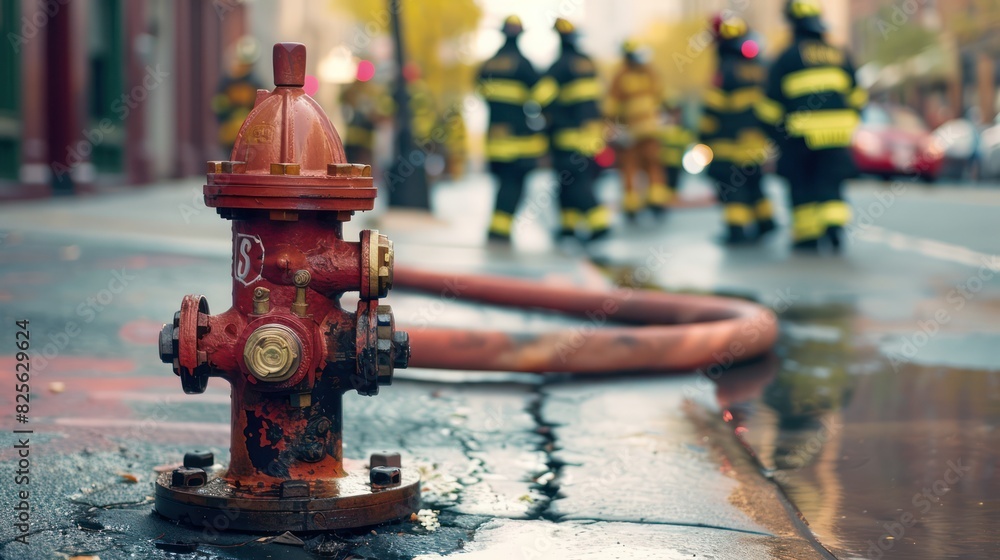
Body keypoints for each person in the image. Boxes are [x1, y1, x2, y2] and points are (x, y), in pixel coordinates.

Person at [756, 0, 867, 252]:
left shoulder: (786, 58)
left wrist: (777, 137)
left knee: (802, 183)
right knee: (831, 182)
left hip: (801, 137)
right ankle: (834, 226)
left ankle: (808, 237)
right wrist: (848, 122)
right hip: (837, 136)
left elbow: (768, 108)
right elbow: (858, 97)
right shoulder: (840, 54)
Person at [700, 13, 776, 244]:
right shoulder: (760, 67)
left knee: (731, 186)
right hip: (756, 142)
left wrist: (703, 136)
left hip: (729, 143)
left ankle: (737, 230)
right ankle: (766, 221)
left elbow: (713, 108)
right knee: (754, 183)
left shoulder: (725, 70)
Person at [535, 18, 611, 241]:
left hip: (568, 138)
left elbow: (541, 97)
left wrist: (547, 118)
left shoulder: (559, 66)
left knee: (575, 184)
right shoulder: (588, 63)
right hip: (592, 137)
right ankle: (569, 226)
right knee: (572, 183)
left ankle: (599, 224)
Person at [477, 16, 549, 242]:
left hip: (494, 140)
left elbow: (483, 94)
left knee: (503, 184)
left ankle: (498, 228)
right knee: (514, 185)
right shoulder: (522, 64)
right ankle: (500, 230)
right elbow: (543, 95)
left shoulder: (487, 65)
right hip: (517, 142)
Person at [605, 40, 670, 220]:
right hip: (648, 130)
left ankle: (633, 204)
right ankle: (654, 201)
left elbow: (611, 108)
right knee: (651, 165)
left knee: (630, 167)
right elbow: (664, 98)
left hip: (632, 132)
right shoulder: (648, 72)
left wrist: (614, 128)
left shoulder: (621, 76)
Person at [212, 37, 264, 157]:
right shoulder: (227, 82)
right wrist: (224, 119)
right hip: (230, 134)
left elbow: (261, 109)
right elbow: (218, 105)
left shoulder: (255, 83)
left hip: (248, 135)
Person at [659, 97, 695, 198]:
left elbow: (688, 145)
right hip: (664, 163)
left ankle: (671, 197)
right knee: (663, 183)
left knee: (674, 183)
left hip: (677, 164)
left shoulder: (683, 132)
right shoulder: (663, 130)